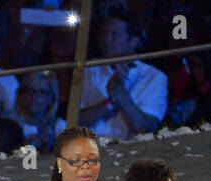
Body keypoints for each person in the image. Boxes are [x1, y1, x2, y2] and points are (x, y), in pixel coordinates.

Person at [71, 5, 167, 141]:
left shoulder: (154, 77)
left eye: (114, 35)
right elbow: (75, 120)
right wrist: (110, 103)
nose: (106, 40)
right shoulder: (89, 69)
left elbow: (143, 127)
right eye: (104, 33)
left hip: (130, 154)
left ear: (134, 41)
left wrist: (120, 93)